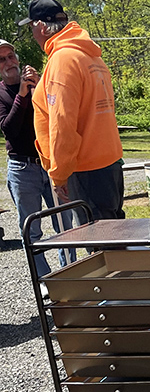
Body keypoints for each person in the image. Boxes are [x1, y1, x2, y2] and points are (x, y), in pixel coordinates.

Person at [22, 0, 125, 223]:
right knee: (116, 241)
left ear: (42, 26)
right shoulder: (90, 56)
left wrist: (59, 175)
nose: (32, 34)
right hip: (108, 164)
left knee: (101, 250)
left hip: (86, 170)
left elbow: (62, 124)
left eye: (31, 27)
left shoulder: (63, 60)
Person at [0, 38, 75, 279]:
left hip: (49, 163)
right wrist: (22, 95)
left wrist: (39, 86)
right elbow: (9, 129)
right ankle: (44, 280)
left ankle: (69, 277)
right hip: (22, 168)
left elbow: (56, 114)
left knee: (64, 225)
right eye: (2, 60)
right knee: (31, 229)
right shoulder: (1, 93)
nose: (9, 62)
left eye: (11, 56)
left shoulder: (38, 84)